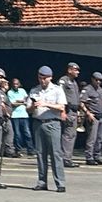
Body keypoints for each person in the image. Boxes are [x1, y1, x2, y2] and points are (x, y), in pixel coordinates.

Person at [27, 64, 67, 193]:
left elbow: (61, 107)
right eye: (40, 77)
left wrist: (46, 104)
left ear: (50, 78)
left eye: (44, 78)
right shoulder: (34, 90)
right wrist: (33, 106)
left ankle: (60, 183)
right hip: (38, 123)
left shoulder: (57, 90)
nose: (42, 80)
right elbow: (28, 109)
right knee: (40, 153)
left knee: (56, 153)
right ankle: (42, 181)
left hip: (52, 123)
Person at [80, 70, 102, 165]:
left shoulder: (100, 89)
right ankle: (89, 157)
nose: (98, 82)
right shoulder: (87, 89)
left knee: (99, 138)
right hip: (93, 116)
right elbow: (81, 102)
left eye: (100, 80)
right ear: (92, 79)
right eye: (96, 80)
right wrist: (88, 113)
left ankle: (97, 156)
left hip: (100, 116)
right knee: (92, 138)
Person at [59, 61, 82, 167]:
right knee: (67, 135)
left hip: (74, 111)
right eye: (75, 70)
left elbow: (76, 99)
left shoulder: (74, 82)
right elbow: (60, 97)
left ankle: (68, 157)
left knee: (72, 135)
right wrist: (63, 111)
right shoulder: (64, 81)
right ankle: (65, 159)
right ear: (69, 70)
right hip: (67, 110)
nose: (78, 72)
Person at [7, 77, 32, 155]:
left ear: (19, 84)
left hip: (24, 115)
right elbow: (12, 104)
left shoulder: (22, 90)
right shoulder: (10, 92)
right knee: (17, 134)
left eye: (17, 84)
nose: (15, 85)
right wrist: (21, 102)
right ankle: (18, 149)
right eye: (14, 84)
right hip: (15, 115)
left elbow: (27, 100)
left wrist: (19, 101)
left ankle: (31, 149)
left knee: (27, 133)